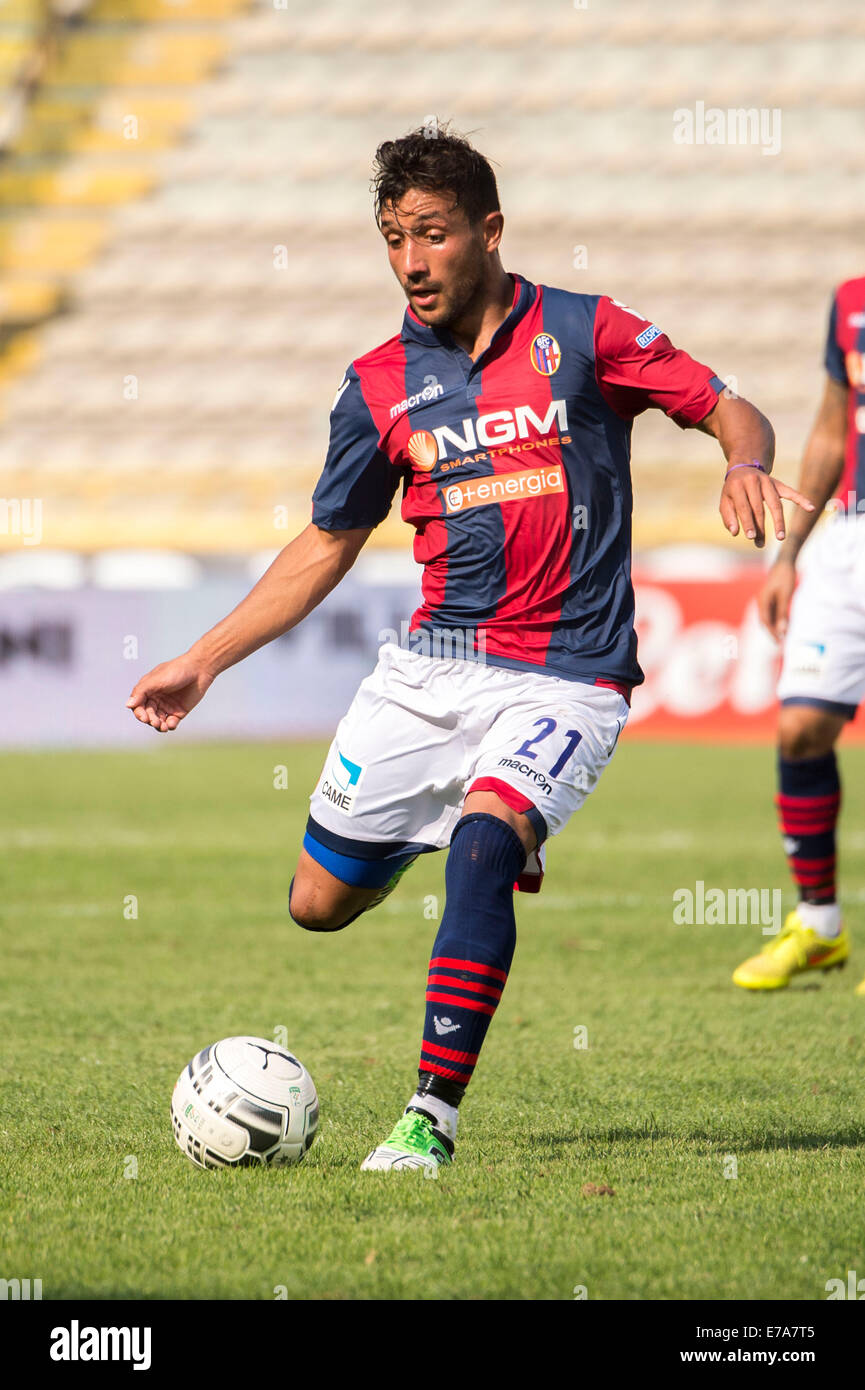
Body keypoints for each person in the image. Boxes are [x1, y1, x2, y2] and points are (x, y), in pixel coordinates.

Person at [127, 126, 809, 1171]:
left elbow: (729, 408)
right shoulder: (377, 384)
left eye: (431, 235)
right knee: (317, 905)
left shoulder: (584, 333)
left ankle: (427, 1119)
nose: (410, 260)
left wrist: (742, 462)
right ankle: (436, 833)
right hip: (428, 671)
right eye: (393, 237)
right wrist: (205, 658)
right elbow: (329, 540)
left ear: (489, 232)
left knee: (485, 846)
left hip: (568, 674)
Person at [733, 276, 865, 993]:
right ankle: (818, 927)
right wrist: (788, 556)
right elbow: (830, 427)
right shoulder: (849, 300)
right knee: (801, 728)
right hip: (847, 539)